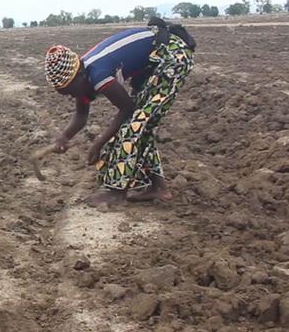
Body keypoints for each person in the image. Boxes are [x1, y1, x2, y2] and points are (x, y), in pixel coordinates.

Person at [44, 18, 196, 206]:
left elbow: (127, 108)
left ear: (79, 76)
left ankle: (117, 192)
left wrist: (98, 143)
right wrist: (64, 137)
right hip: (159, 59)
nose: (70, 96)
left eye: (69, 91)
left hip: (174, 58)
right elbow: (81, 114)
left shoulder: (98, 74)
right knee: (142, 125)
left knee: (132, 126)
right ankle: (158, 187)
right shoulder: (82, 75)